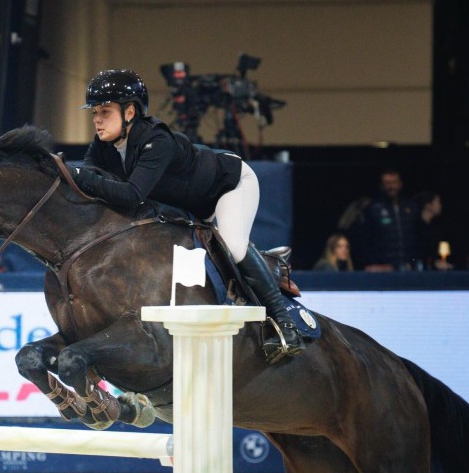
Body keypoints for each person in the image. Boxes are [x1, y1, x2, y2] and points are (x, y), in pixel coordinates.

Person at [69, 68, 302, 362]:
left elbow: (130, 195)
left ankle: (284, 324)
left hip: (229, 185)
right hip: (190, 206)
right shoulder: (102, 145)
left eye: (104, 111)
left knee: (232, 244)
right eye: (94, 113)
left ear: (130, 112)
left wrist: (76, 174)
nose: (97, 120)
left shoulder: (157, 141)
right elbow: (88, 180)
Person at [354, 168, 420, 271]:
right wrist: (373, 264)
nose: (391, 186)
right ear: (382, 186)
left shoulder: (412, 207)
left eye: (394, 182)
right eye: (387, 183)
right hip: (383, 269)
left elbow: (418, 237)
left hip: (410, 267)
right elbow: (365, 241)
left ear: (400, 184)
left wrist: (415, 261)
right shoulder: (373, 209)